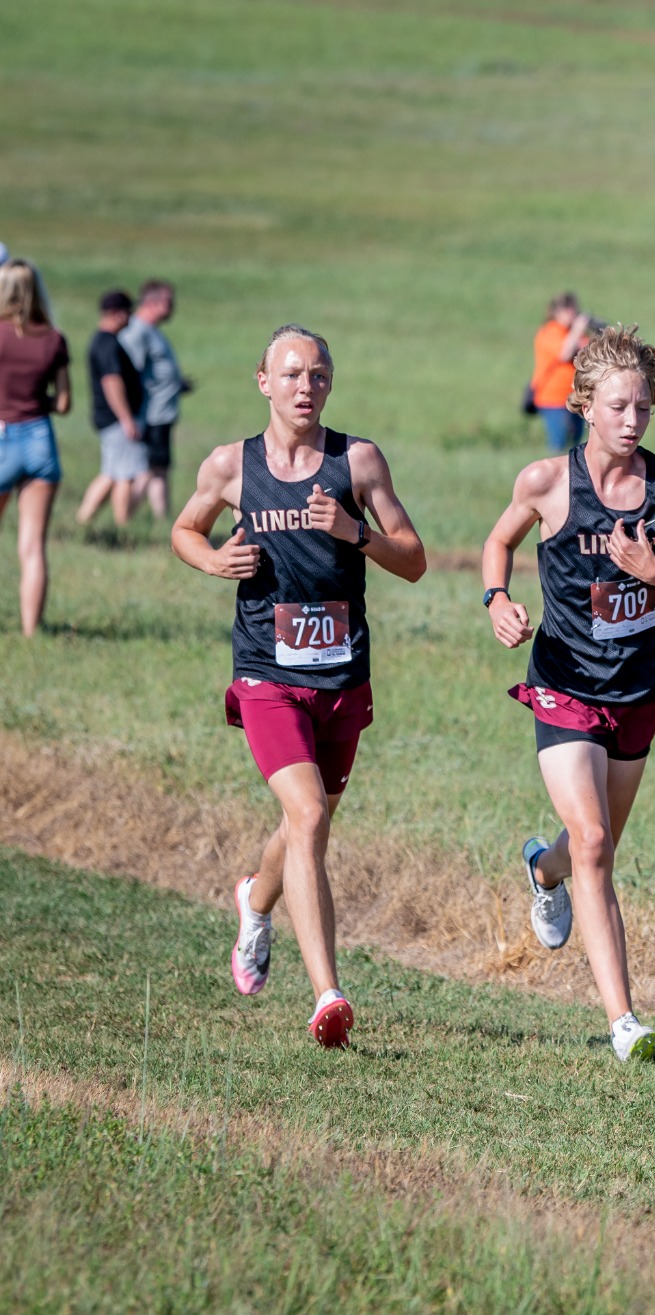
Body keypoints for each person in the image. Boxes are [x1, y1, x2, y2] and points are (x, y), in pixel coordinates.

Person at [170, 325, 427, 1048]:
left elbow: (414, 559)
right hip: (266, 673)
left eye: (317, 375)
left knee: (306, 823)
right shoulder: (231, 466)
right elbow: (185, 530)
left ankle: (254, 901)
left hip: (341, 676)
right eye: (290, 375)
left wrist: (356, 533)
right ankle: (327, 995)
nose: (304, 388)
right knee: (309, 816)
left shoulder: (357, 461)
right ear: (262, 381)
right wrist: (213, 560)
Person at [482, 325, 655, 1064]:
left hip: (640, 687)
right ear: (584, 404)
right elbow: (500, 542)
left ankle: (541, 869)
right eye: (618, 406)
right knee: (594, 842)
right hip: (565, 683)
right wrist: (497, 597)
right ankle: (624, 1021)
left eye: (644, 408)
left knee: (595, 845)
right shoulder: (546, 482)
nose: (632, 420)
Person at [0, 259, 70, 637]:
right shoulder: (53, 339)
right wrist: (33, 401)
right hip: (40, 442)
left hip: (2, 438)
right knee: (32, 546)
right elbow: (63, 403)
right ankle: (31, 631)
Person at [76, 290, 149, 530]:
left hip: (108, 418)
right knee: (127, 476)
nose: (131, 317)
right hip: (116, 419)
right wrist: (127, 419)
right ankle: (123, 525)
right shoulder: (108, 344)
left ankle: (82, 520)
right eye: (129, 311)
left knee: (110, 474)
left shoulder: (101, 340)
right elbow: (111, 381)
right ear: (116, 314)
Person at [121, 279, 193, 522]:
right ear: (152, 303)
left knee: (158, 468)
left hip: (162, 411)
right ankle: (124, 516)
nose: (172, 308)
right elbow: (129, 373)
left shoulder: (151, 331)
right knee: (149, 469)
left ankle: (162, 520)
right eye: (168, 303)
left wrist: (176, 384)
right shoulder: (137, 331)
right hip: (150, 413)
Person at [531, 293, 593, 453]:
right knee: (559, 443)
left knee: (576, 444)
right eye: (568, 311)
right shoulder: (550, 332)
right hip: (554, 399)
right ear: (557, 312)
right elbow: (564, 353)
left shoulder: (576, 334)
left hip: (577, 396)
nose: (572, 316)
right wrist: (577, 330)